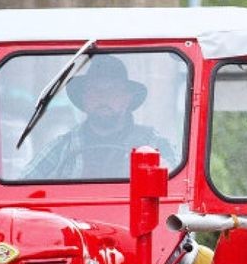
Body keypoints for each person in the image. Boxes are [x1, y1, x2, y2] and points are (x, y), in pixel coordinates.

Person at [24, 54, 178, 180]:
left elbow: (179, 189)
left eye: (113, 90)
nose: (104, 98)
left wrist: (164, 173)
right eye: (95, 90)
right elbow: (21, 192)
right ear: (84, 99)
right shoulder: (62, 147)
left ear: (127, 99)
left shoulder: (153, 143)